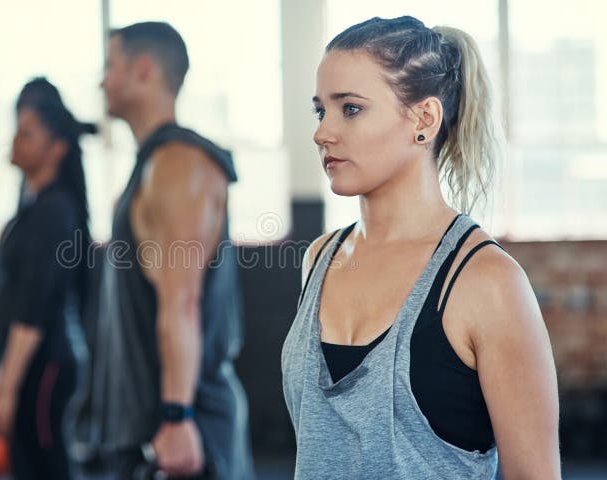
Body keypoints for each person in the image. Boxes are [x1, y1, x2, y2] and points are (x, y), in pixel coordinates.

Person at [281, 16, 560, 479]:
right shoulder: (318, 259)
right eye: (320, 110)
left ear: (424, 120)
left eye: (350, 108)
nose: (322, 132)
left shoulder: (486, 282)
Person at [88, 21, 253, 479]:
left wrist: (177, 416)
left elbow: (182, 301)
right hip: (144, 423)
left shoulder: (180, 165)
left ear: (143, 71)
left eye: (110, 66)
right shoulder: (152, 165)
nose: (101, 80)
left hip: (184, 428)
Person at [0, 78, 95, 479]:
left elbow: (33, 306)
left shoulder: (55, 211)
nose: (16, 141)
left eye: (27, 134)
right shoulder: (32, 207)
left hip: (47, 363)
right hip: (29, 361)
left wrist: (6, 388)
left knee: (48, 466)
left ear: (57, 149)